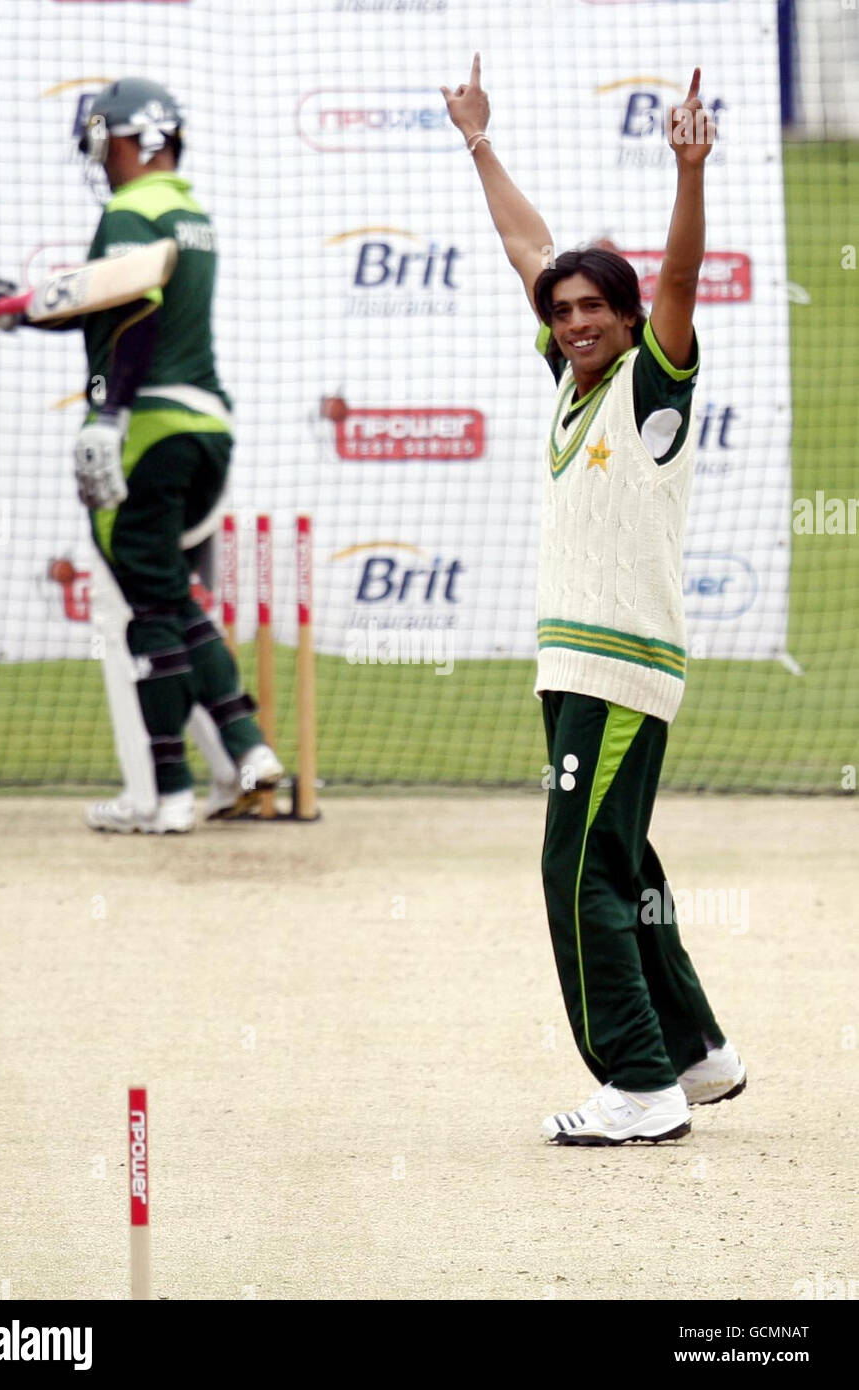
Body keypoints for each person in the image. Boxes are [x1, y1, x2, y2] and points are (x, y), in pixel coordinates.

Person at [441, 56, 745, 1144]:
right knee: (621, 863)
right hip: (571, 670)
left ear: (627, 321)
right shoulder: (569, 377)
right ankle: (698, 1053)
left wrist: (689, 170)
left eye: (593, 310)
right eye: (563, 310)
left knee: (572, 871)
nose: (574, 320)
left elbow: (677, 279)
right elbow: (531, 248)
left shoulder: (650, 386)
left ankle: (639, 1085)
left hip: (617, 669)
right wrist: (479, 139)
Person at [0, 78, 281, 833]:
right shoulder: (189, 214)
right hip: (207, 430)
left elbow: (132, 314)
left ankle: (172, 789)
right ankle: (239, 755)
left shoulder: (129, 211)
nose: (98, 161)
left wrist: (107, 414)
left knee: (149, 607)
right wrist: (15, 309)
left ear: (130, 137)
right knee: (167, 597)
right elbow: (105, 305)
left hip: (150, 431)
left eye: (101, 143)